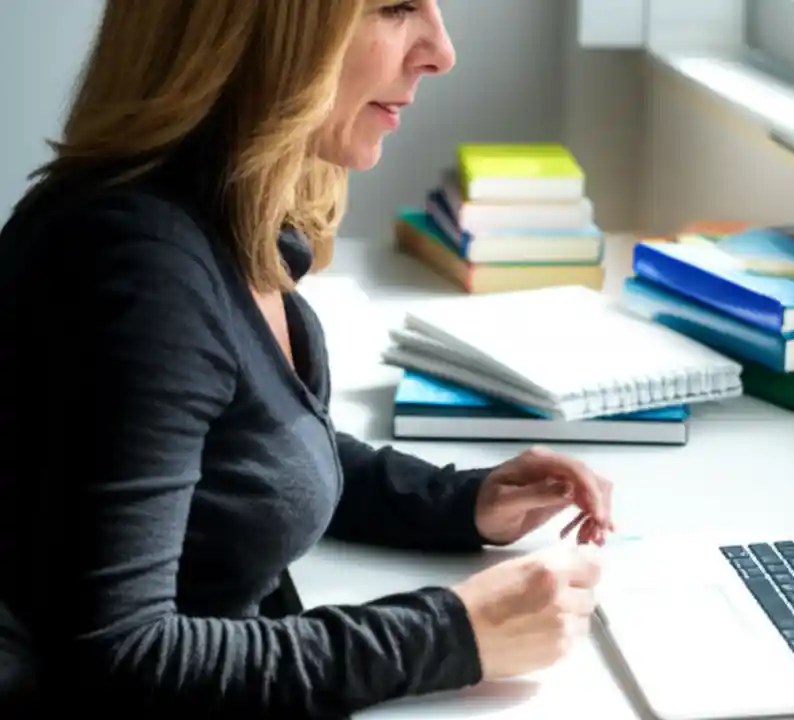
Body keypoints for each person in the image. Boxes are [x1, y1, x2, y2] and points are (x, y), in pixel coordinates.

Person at [0, 1, 615, 717]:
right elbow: (118, 660)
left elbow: (241, 467)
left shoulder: (212, 217)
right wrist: (452, 633)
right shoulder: (141, 270)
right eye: (393, 7)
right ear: (262, 27)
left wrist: (460, 504)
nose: (441, 51)